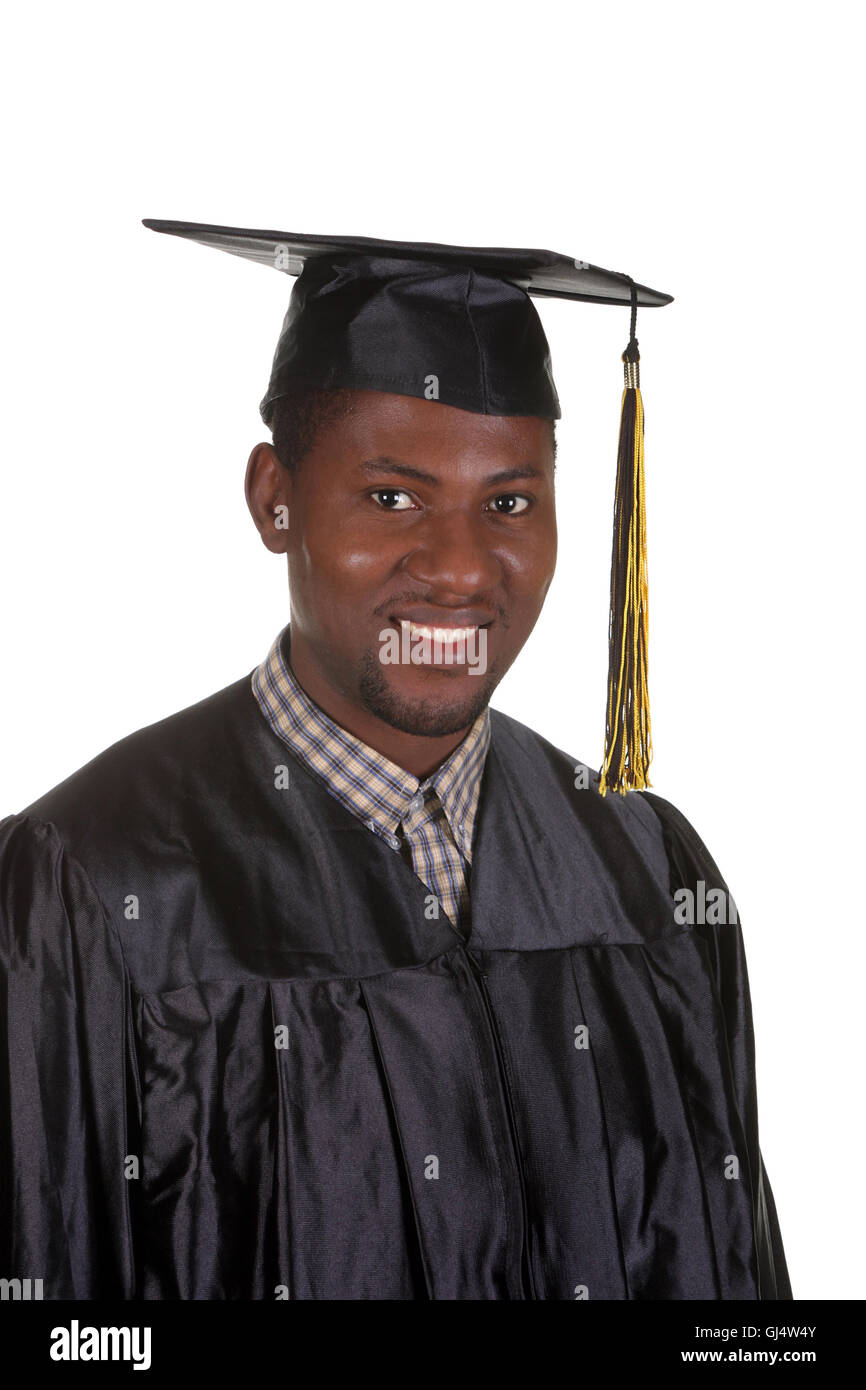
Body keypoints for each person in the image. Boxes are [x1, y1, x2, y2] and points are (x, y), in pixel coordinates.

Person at [0, 222, 791, 1300]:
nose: (461, 568)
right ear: (273, 498)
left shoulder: (648, 873)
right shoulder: (86, 883)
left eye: (507, 503)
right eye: (393, 497)